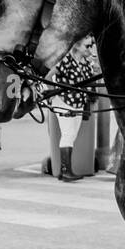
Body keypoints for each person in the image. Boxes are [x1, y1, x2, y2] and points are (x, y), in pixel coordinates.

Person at [50, 38, 99, 182]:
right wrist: (52, 96)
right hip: (64, 102)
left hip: (78, 104)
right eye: (87, 45)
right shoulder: (65, 60)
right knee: (68, 134)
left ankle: (63, 171)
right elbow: (47, 76)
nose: (90, 49)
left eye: (91, 45)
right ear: (76, 45)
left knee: (71, 136)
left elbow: (90, 84)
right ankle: (66, 171)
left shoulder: (86, 63)